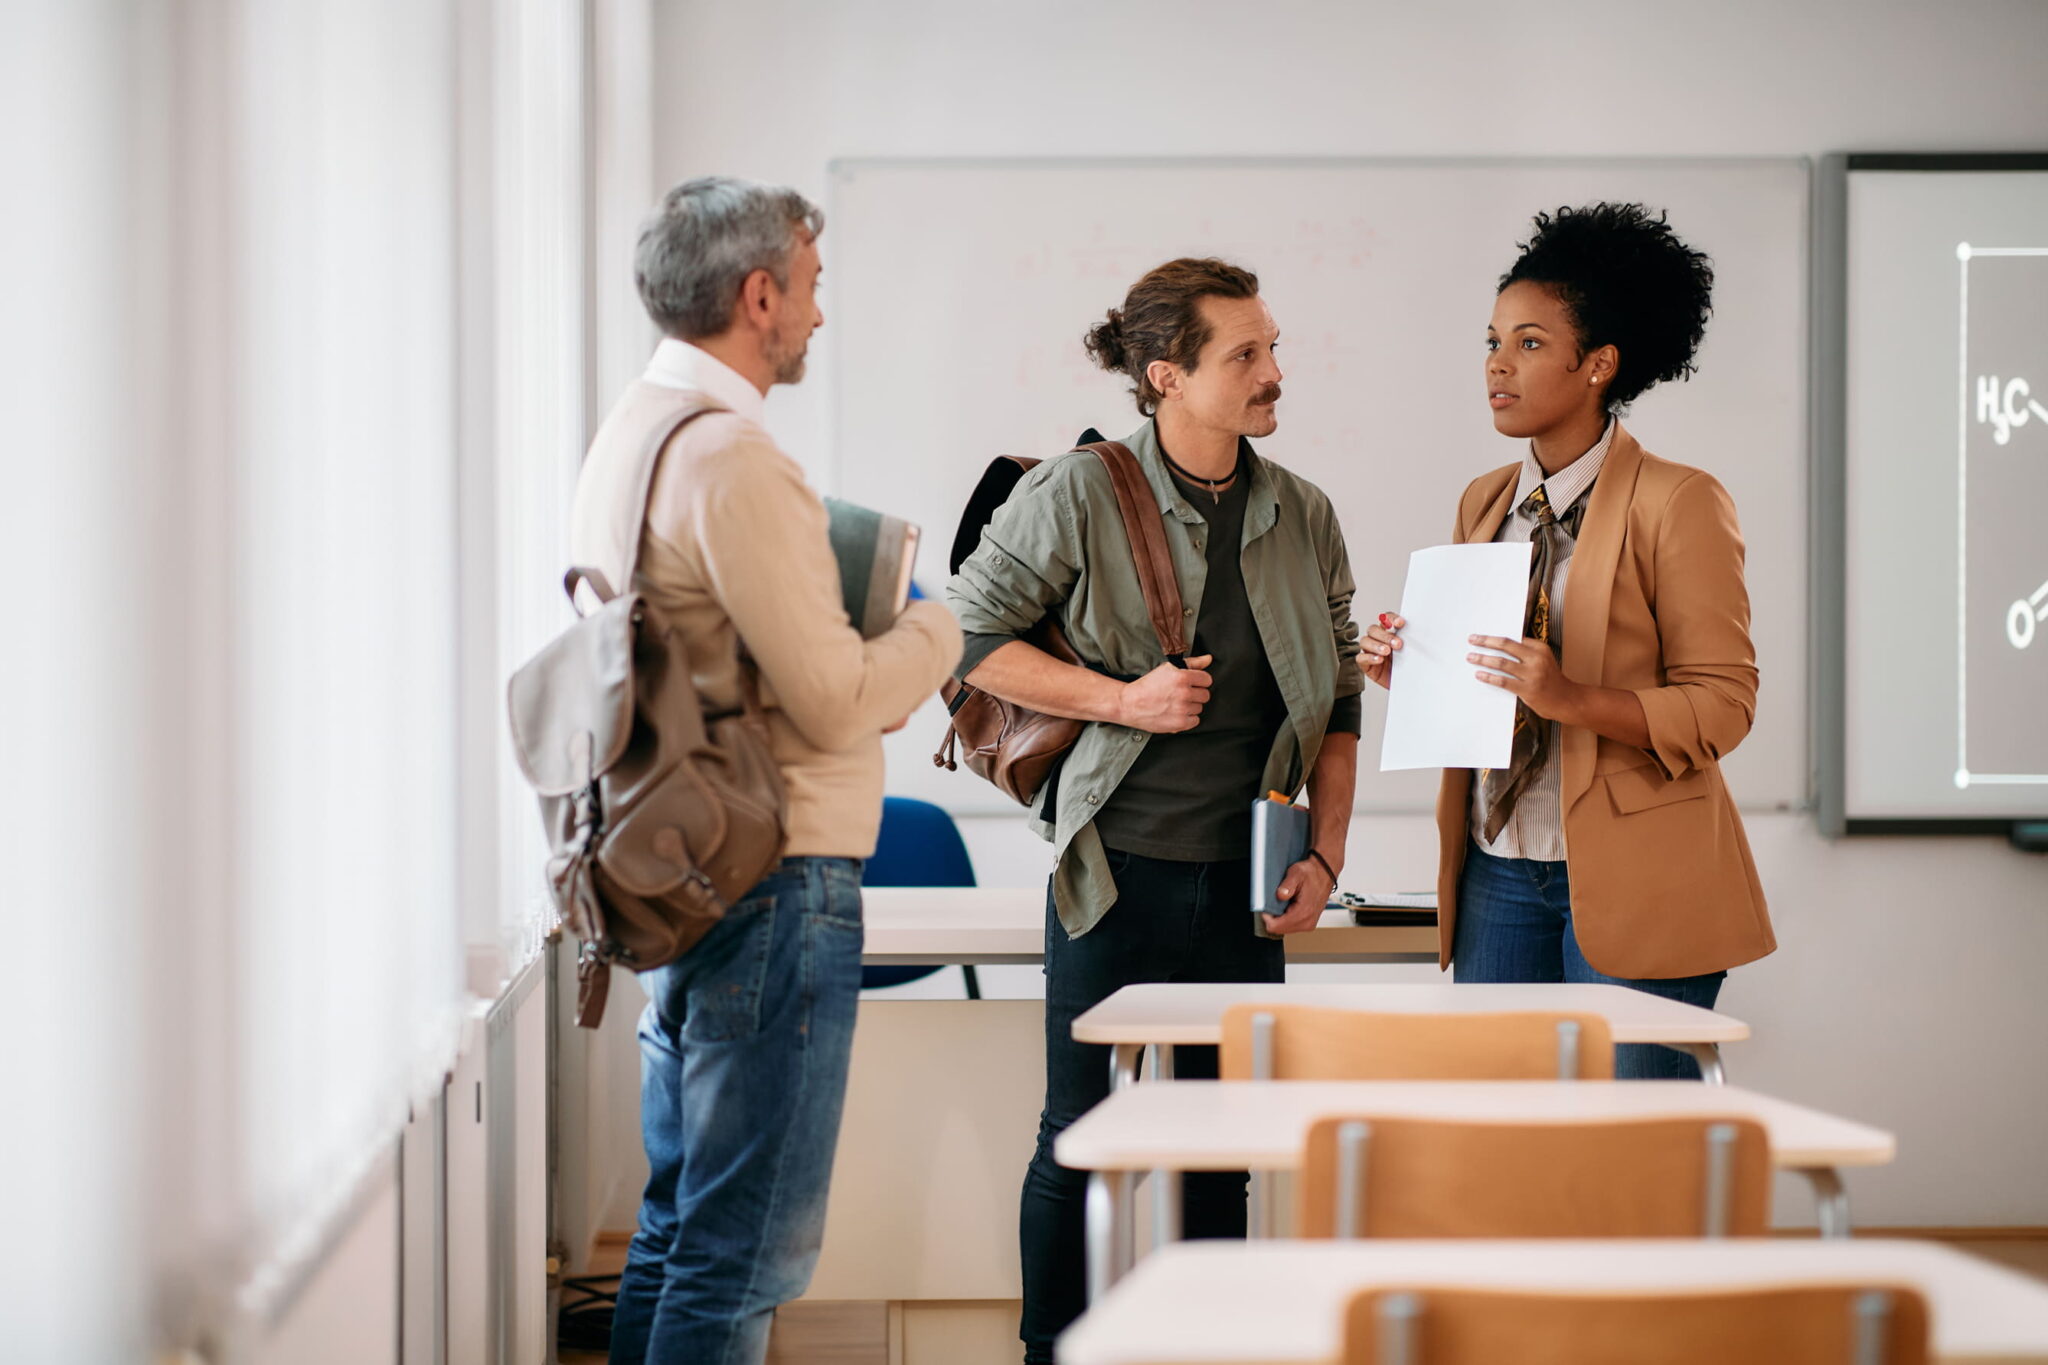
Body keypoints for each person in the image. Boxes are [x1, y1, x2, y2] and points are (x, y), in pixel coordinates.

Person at [570, 176, 961, 1365]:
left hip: (684, 864)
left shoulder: (632, 431)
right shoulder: (733, 458)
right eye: (810, 287)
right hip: (774, 876)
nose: (818, 315)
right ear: (757, 296)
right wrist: (940, 626)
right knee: (742, 1256)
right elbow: (835, 696)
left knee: (679, 1228)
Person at [946, 257, 1363, 1362]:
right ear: (1166, 375)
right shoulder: (1077, 492)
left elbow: (1339, 701)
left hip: (1248, 883)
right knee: (1080, 1142)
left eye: (1272, 348)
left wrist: (1324, 856)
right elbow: (967, 638)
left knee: (1218, 1155)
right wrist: (1121, 699)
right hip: (1115, 874)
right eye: (1245, 354)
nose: (1273, 372)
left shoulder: (1303, 512)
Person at [1361, 203, 1775, 1078]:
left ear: (1599, 364)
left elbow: (1723, 705)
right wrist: (1419, 672)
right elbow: (1492, 689)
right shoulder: (1484, 500)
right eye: (1492, 341)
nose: (1497, 364)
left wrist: (1572, 698)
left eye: (1529, 343)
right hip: (1498, 866)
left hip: (1638, 874)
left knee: (1629, 1142)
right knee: (1503, 1135)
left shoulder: (1679, 501)